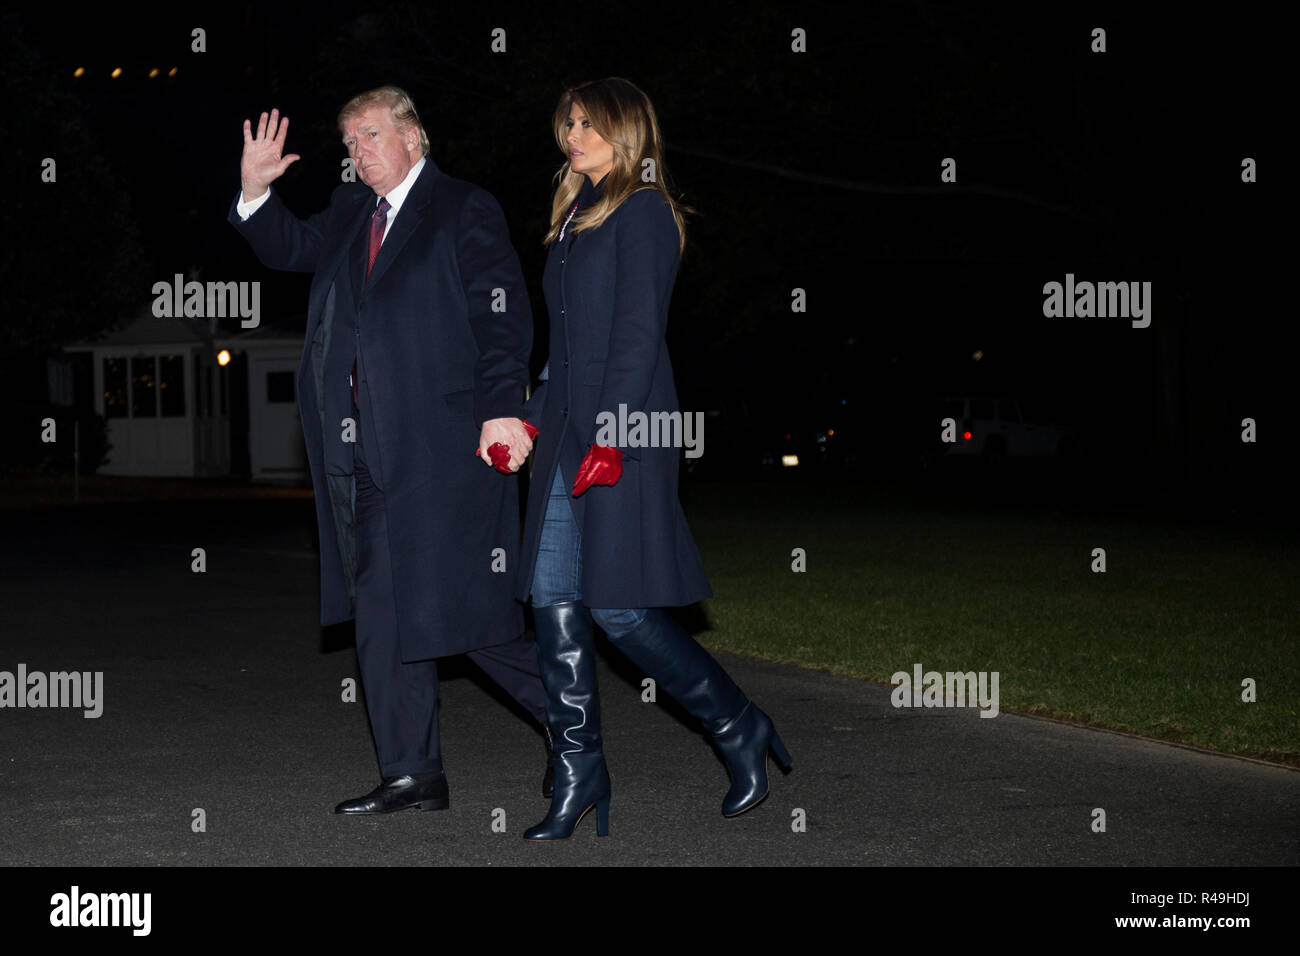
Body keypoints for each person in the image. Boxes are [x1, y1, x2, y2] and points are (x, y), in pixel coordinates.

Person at [228, 87, 554, 815]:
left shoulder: (462, 207)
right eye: (348, 142)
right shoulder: (352, 211)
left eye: (369, 135)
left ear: (413, 137)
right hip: (365, 455)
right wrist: (255, 192)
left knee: (462, 612)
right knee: (382, 613)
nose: (357, 152)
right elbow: (290, 248)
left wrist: (504, 408)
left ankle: (572, 723)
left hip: (447, 448)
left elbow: (501, 314)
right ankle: (412, 773)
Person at [510, 77, 792, 840]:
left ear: (627, 130)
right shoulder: (572, 216)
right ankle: (579, 773)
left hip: (622, 432)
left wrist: (611, 434)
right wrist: (530, 419)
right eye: (567, 122)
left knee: (619, 607)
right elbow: (565, 348)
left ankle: (736, 723)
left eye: (588, 123)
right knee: (552, 601)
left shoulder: (643, 211)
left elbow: (637, 336)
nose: (573, 135)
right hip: (564, 434)